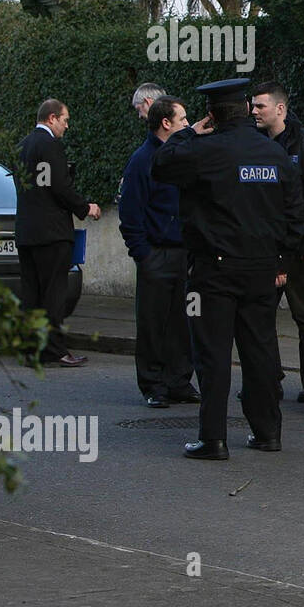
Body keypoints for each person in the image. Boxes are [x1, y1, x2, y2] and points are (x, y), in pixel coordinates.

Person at [153, 79, 304, 460]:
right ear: (246, 112)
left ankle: (213, 438)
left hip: (213, 271)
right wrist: (282, 260)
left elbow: (162, 165)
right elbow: (295, 215)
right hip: (262, 270)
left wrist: (187, 133)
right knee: (261, 352)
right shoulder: (274, 155)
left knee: (213, 353)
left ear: (213, 115)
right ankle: (267, 432)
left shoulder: (205, 151)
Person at [118, 96, 201, 409]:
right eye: (182, 120)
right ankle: (153, 384)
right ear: (166, 123)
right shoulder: (142, 160)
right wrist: (143, 253)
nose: (186, 124)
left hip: (182, 253)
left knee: (183, 321)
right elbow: (130, 210)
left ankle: (179, 380)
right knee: (153, 322)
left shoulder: (178, 158)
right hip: (156, 253)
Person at [251, 82, 304, 403]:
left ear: (280, 109)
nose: (254, 111)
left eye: (260, 106)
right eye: (252, 106)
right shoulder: (252, 144)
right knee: (258, 318)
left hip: (298, 250)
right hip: (262, 250)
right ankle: (267, 378)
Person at [14, 99, 101, 367]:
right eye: (64, 120)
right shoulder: (49, 145)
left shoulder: (22, 145)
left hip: (27, 232)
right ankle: (54, 350)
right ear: (52, 118)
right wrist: (86, 207)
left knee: (32, 294)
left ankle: (32, 350)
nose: (66, 126)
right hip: (51, 233)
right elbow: (59, 186)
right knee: (53, 294)